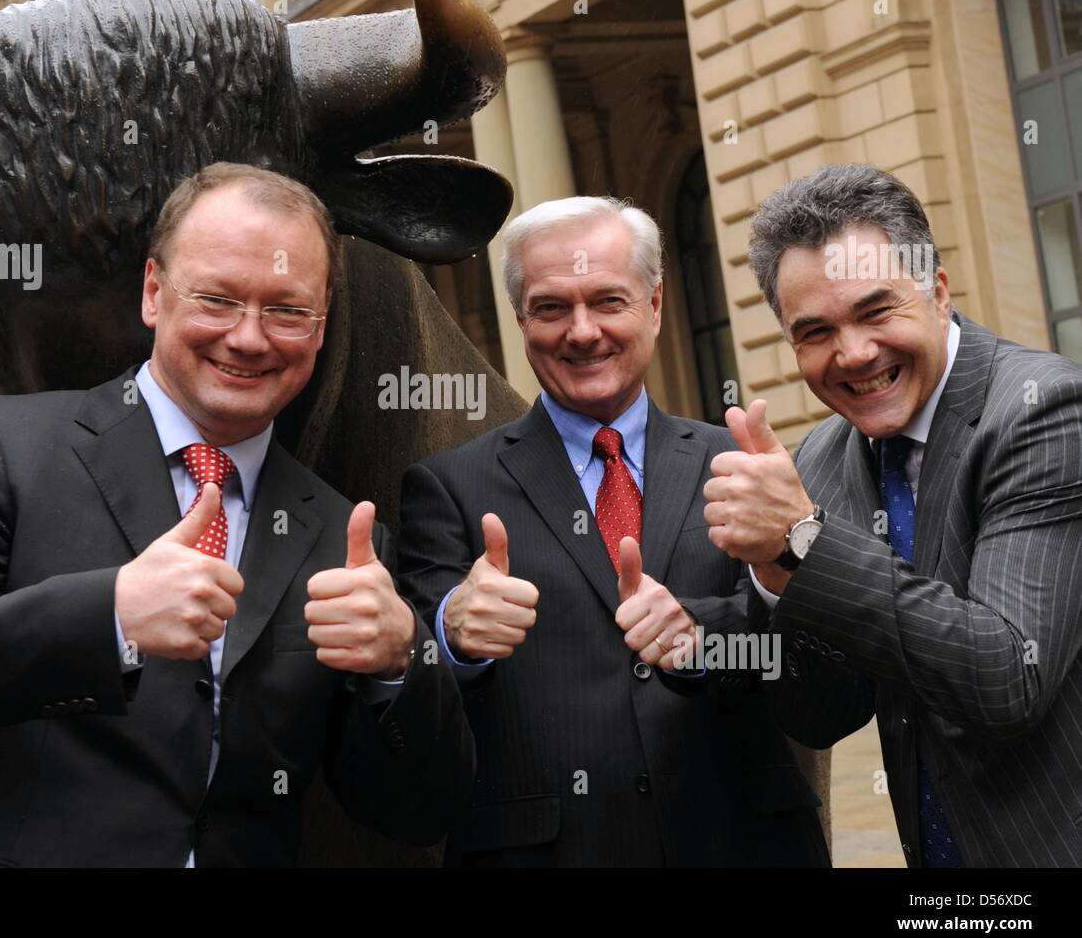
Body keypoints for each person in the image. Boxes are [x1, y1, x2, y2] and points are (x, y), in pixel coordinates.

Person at [0, 162, 473, 867]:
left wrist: (402, 661)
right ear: (152, 294)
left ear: (320, 327)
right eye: (217, 299)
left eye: (288, 310)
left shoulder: (345, 537)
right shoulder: (0, 446)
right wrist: (108, 614)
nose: (250, 337)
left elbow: (415, 812)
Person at [397, 195, 828, 867]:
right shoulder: (446, 486)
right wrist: (452, 634)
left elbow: (816, 660)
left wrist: (717, 628)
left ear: (653, 307)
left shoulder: (747, 465)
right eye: (550, 307)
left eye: (607, 300)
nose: (582, 330)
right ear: (520, 321)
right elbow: (405, 693)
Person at [706, 163, 1082, 867]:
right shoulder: (820, 457)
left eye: (876, 311)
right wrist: (770, 571)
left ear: (938, 291)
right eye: (815, 331)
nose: (853, 353)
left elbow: (1006, 680)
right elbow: (820, 712)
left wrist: (806, 540)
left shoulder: (1046, 413)